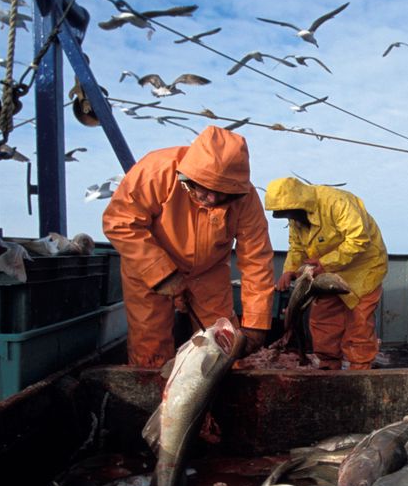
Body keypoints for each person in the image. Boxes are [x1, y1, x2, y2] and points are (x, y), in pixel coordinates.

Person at [103, 126, 274, 368]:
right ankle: (155, 388)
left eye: (221, 193)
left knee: (223, 347)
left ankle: (216, 392)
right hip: (147, 268)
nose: (211, 199)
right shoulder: (156, 170)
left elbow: (257, 260)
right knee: (149, 349)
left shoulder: (246, 199)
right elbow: (119, 221)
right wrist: (162, 275)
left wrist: (256, 323)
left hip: (209, 274)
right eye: (204, 188)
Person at [265, 176, 388, 370]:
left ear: (299, 204)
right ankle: (328, 366)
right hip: (326, 272)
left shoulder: (338, 202)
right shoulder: (296, 217)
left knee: (359, 322)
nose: (290, 218)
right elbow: (296, 247)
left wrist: (325, 263)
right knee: (323, 320)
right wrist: (289, 270)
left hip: (363, 270)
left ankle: (360, 370)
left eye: (289, 213)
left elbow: (359, 239)